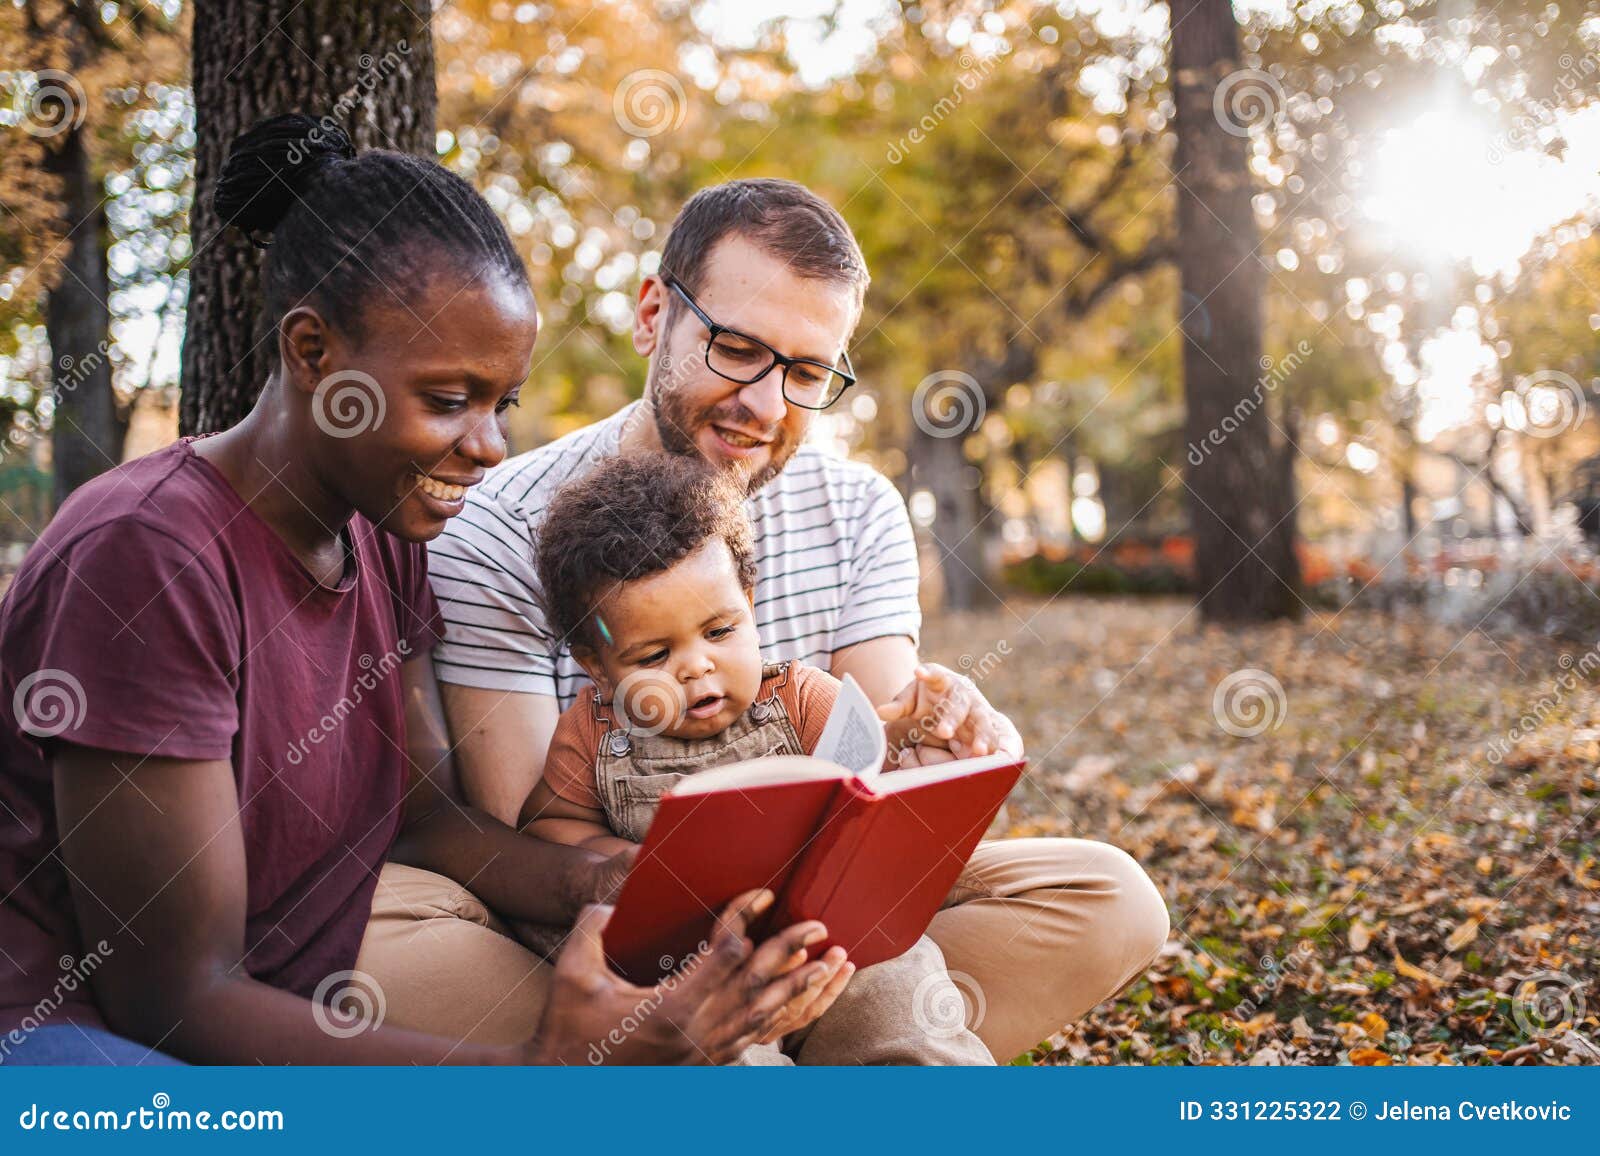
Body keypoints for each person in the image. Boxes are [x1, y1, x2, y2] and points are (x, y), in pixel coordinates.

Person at [0, 116, 843, 1066]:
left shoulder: (382, 530)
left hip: (292, 996)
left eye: (501, 404)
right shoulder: (148, 557)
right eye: (449, 400)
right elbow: (177, 1001)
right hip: (77, 1051)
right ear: (312, 352)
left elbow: (429, 818)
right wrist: (547, 1080)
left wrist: (613, 880)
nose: (487, 447)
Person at [427, 178, 1171, 1061]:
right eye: (738, 349)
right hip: (607, 934)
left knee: (1112, 897)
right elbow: (526, 840)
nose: (767, 407)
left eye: (808, 372)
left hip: (834, 928)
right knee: (404, 940)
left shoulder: (857, 509)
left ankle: (838, 1045)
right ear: (653, 316)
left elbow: (884, 766)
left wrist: (945, 738)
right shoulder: (496, 529)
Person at [520, 449, 997, 1063]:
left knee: (906, 1009)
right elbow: (549, 827)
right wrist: (623, 862)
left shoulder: (800, 697)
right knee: (714, 1054)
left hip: (833, 947)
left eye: (719, 632)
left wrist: (921, 731)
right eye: (651, 657)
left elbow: (878, 773)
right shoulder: (590, 733)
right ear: (597, 667)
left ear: (750, 602)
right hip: (688, 968)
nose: (695, 665)